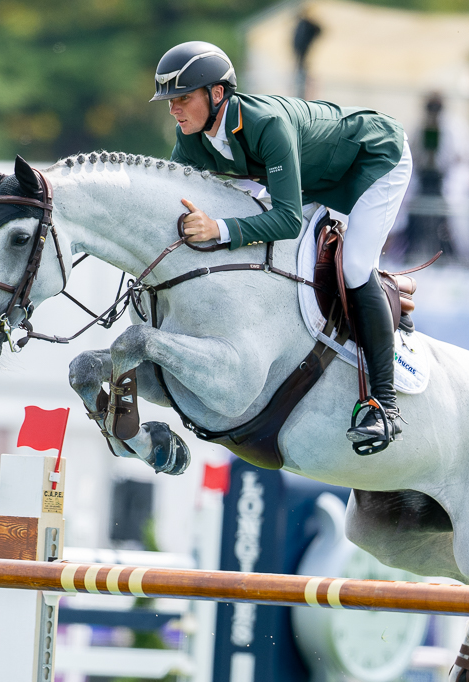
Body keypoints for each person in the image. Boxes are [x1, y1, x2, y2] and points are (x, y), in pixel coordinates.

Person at [153, 41, 413, 453]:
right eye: (170, 101)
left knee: (354, 268)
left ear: (217, 94)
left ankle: (385, 406)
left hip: (374, 159)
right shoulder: (192, 139)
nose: (173, 110)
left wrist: (218, 229)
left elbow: (288, 221)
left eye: (182, 98)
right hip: (315, 175)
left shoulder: (265, 124)